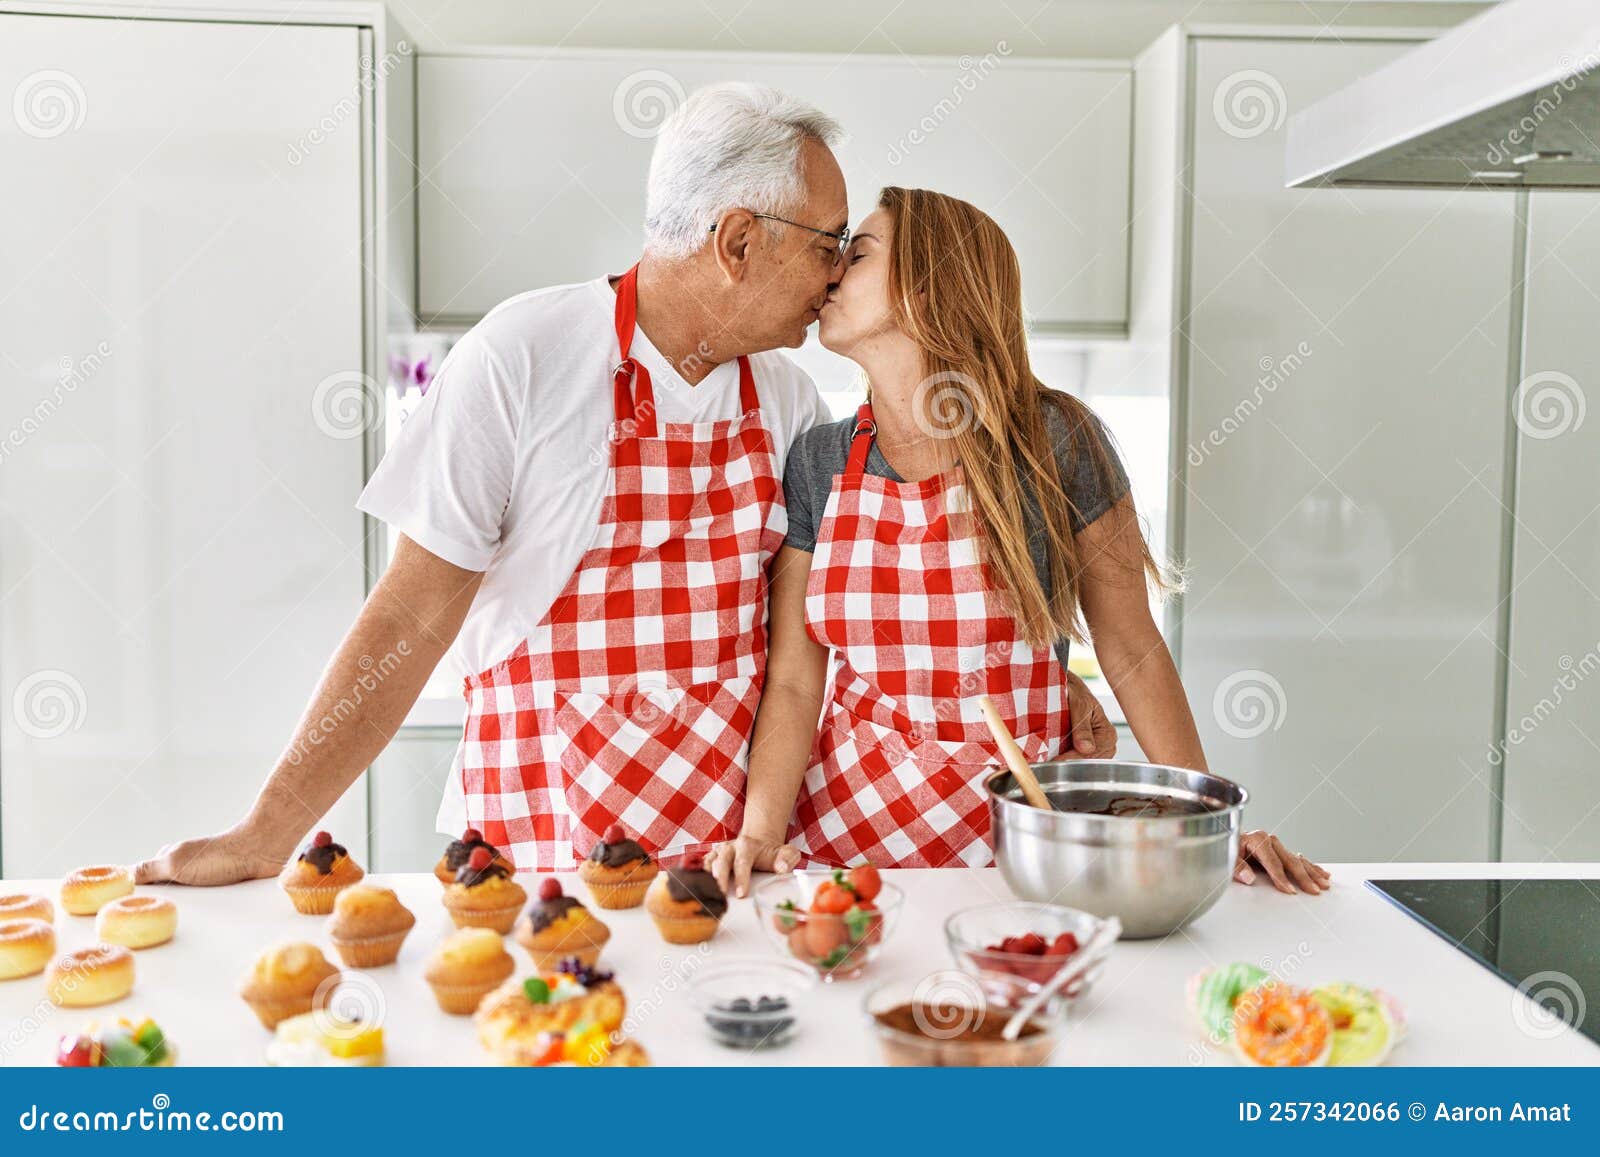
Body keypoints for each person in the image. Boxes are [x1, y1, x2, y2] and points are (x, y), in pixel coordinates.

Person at [136, 87, 1117, 884]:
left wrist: (1048, 685)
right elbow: (407, 623)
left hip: (723, 878)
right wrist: (267, 830)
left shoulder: (782, 398)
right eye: (826, 243)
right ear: (738, 243)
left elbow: (832, 639)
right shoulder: (522, 357)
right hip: (535, 864)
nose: (833, 276)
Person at [710, 188, 1329, 897]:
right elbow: (794, 680)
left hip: (1023, 854)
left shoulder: (1058, 443)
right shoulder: (820, 459)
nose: (828, 274)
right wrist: (760, 833)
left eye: (858, 254)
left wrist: (1212, 822)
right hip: (847, 857)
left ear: (930, 282)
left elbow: (1132, 649)